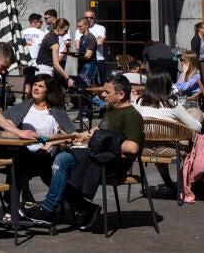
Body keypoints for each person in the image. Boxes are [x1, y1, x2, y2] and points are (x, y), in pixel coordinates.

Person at [20, 74, 142, 230]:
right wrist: (83, 135)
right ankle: (86, 208)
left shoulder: (132, 115)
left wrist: (100, 142)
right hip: (95, 157)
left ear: (121, 94)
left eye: (106, 92)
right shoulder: (112, 110)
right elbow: (101, 129)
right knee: (47, 170)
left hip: (111, 163)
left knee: (62, 160)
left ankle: (47, 210)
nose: (102, 95)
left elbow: (133, 147)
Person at [4, 75, 72, 205]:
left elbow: (68, 136)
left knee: (16, 163)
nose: (36, 88)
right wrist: (12, 127)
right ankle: (23, 197)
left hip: (47, 153)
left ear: (48, 90)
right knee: (17, 158)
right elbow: (5, 121)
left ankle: (14, 204)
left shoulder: (55, 111)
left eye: (40, 86)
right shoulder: (24, 107)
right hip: (25, 150)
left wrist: (49, 144)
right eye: (35, 85)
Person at [132, 71, 202, 197]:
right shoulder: (172, 104)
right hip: (171, 150)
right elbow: (196, 127)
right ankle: (191, 181)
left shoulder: (137, 103)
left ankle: (169, 183)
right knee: (195, 117)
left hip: (143, 149)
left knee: (158, 140)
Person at [68, 17, 99, 86]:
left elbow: (88, 55)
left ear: (87, 26)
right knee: (79, 85)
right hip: (81, 65)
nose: (78, 28)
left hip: (89, 66)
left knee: (85, 86)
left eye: (80, 26)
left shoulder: (90, 38)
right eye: (78, 26)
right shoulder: (82, 37)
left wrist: (74, 55)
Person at [84, 9, 107, 84]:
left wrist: (85, 42)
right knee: (85, 83)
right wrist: (94, 40)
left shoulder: (100, 28)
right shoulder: (80, 29)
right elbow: (78, 45)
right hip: (85, 59)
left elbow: (100, 42)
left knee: (101, 84)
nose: (89, 19)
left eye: (91, 17)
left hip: (99, 59)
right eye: (87, 17)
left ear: (94, 18)